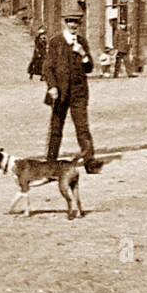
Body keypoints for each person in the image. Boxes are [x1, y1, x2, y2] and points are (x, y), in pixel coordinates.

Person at [43, 10, 101, 173]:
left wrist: (83, 54)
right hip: (60, 93)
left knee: (82, 128)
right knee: (56, 128)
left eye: (76, 22)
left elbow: (89, 68)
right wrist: (52, 87)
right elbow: (47, 67)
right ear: (65, 23)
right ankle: (50, 162)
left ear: (79, 24)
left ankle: (90, 162)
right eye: (70, 21)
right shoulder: (56, 42)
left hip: (79, 93)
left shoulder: (82, 41)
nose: (73, 25)